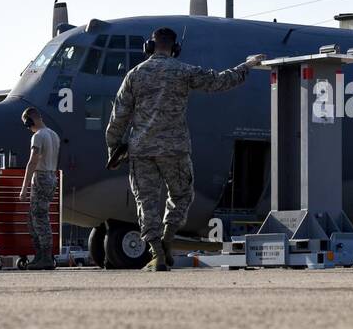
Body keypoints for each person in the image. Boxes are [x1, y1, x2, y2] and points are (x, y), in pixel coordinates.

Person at [106, 27, 263, 272]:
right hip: (175, 149)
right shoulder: (182, 71)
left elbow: (118, 116)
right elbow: (219, 81)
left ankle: (157, 254)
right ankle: (168, 241)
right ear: (174, 48)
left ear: (149, 46)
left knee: (145, 202)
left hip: (142, 150)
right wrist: (247, 66)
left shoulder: (134, 75)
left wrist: (114, 147)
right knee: (181, 196)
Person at [18, 107, 61, 270]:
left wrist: (24, 187)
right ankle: (40, 256)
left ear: (30, 121)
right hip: (51, 176)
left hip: (41, 177)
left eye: (26, 123)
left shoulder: (38, 136)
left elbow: (32, 162)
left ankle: (45, 257)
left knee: (40, 218)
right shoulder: (54, 135)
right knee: (34, 217)